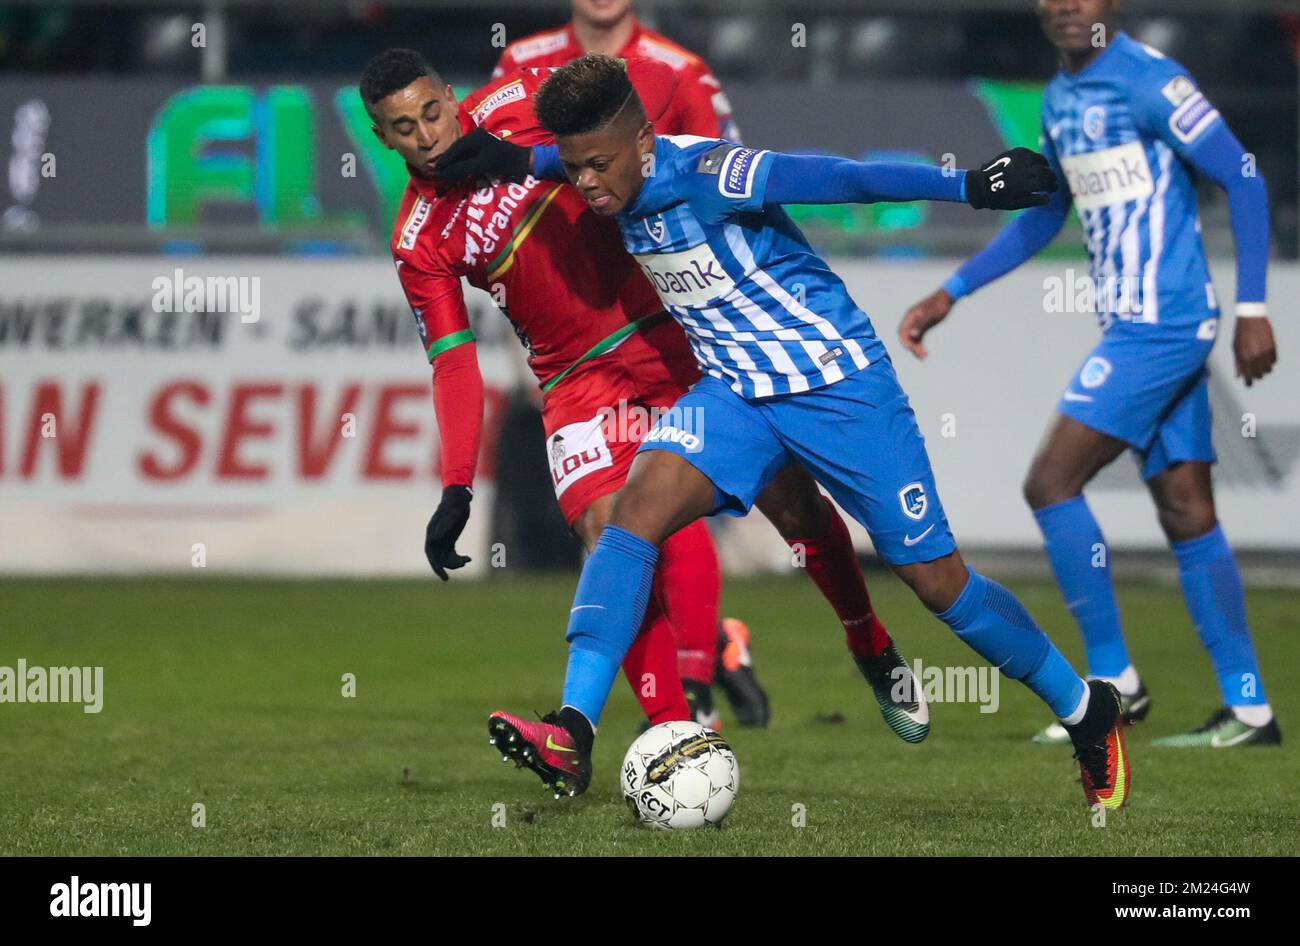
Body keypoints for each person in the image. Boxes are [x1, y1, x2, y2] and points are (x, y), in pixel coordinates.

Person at [435, 54, 1132, 810]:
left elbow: (839, 178)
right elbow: (561, 158)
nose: (588, 185)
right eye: (575, 169)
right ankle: (572, 727)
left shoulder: (709, 173)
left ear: (642, 144)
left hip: (838, 388)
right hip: (737, 396)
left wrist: (965, 186)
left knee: (937, 582)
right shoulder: (599, 172)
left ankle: (1084, 707)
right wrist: (513, 157)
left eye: (599, 166)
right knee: (632, 519)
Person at [361, 50, 922, 740]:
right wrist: (456, 487)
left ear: (452, 96)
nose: (427, 135)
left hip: (667, 326)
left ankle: (867, 638)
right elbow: (453, 366)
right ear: (382, 138)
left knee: (795, 505)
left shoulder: (520, 102)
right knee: (610, 535)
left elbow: (628, 114)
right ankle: (669, 735)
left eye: (432, 111)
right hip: (575, 379)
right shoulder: (416, 240)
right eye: (403, 126)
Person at [899, 0, 1280, 748]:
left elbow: (1242, 176)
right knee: (1186, 509)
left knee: (1050, 482)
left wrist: (1256, 307)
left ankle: (1113, 681)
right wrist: (954, 290)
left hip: (1164, 323)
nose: (1069, 4)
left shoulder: (1151, 82)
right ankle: (1251, 710)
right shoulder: (1061, 98)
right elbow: (1047, 216)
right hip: (1136, 324)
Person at [492, 0, 739, 140]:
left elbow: (714, 168)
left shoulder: (685, 70)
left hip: (642, 229)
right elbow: (492, 156)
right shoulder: (517, 60)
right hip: (539, 226)